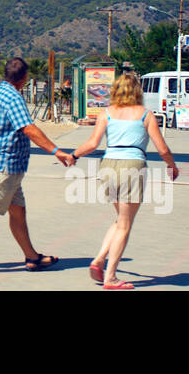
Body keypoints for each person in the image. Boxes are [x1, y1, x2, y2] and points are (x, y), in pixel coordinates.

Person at [0, 57, 75, 275]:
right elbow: (28, 128)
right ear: (24, 78)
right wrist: (57, 151)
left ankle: (32, 257)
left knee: (18, 213)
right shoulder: (13, 98)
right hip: (4, 166)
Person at [71, 73, 178, 289]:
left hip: (108, 165)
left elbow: (92, 144)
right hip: (132, 166)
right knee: (125, 224)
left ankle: (100, 259)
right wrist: (172, 166)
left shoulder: (106, 113)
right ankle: (110, 277)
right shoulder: (145, 115)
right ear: (138, 91)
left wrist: (72, 156)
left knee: (120, 218)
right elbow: (162, 148)